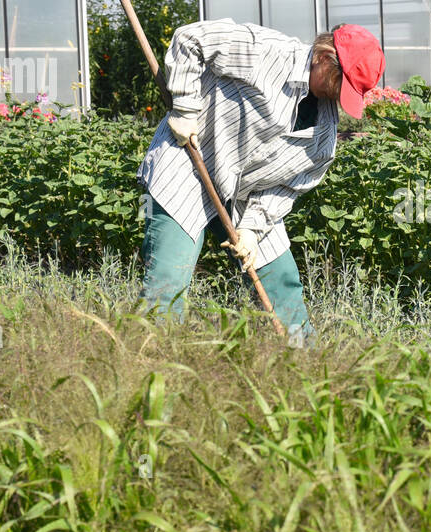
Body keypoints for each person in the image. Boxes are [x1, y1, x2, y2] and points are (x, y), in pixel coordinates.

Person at [136, 20, 385, 341]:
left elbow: (286, 185)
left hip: (245, 196)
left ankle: (301, 365)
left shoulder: (323, 137)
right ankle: (153, 362)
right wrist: (184, 107)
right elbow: (191, 38)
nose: (339, 95)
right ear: (324, 57)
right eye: (342, 83)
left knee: (282, 283)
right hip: (189, 164)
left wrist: (252, 230)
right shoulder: (267, 51)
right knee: (167, 282)